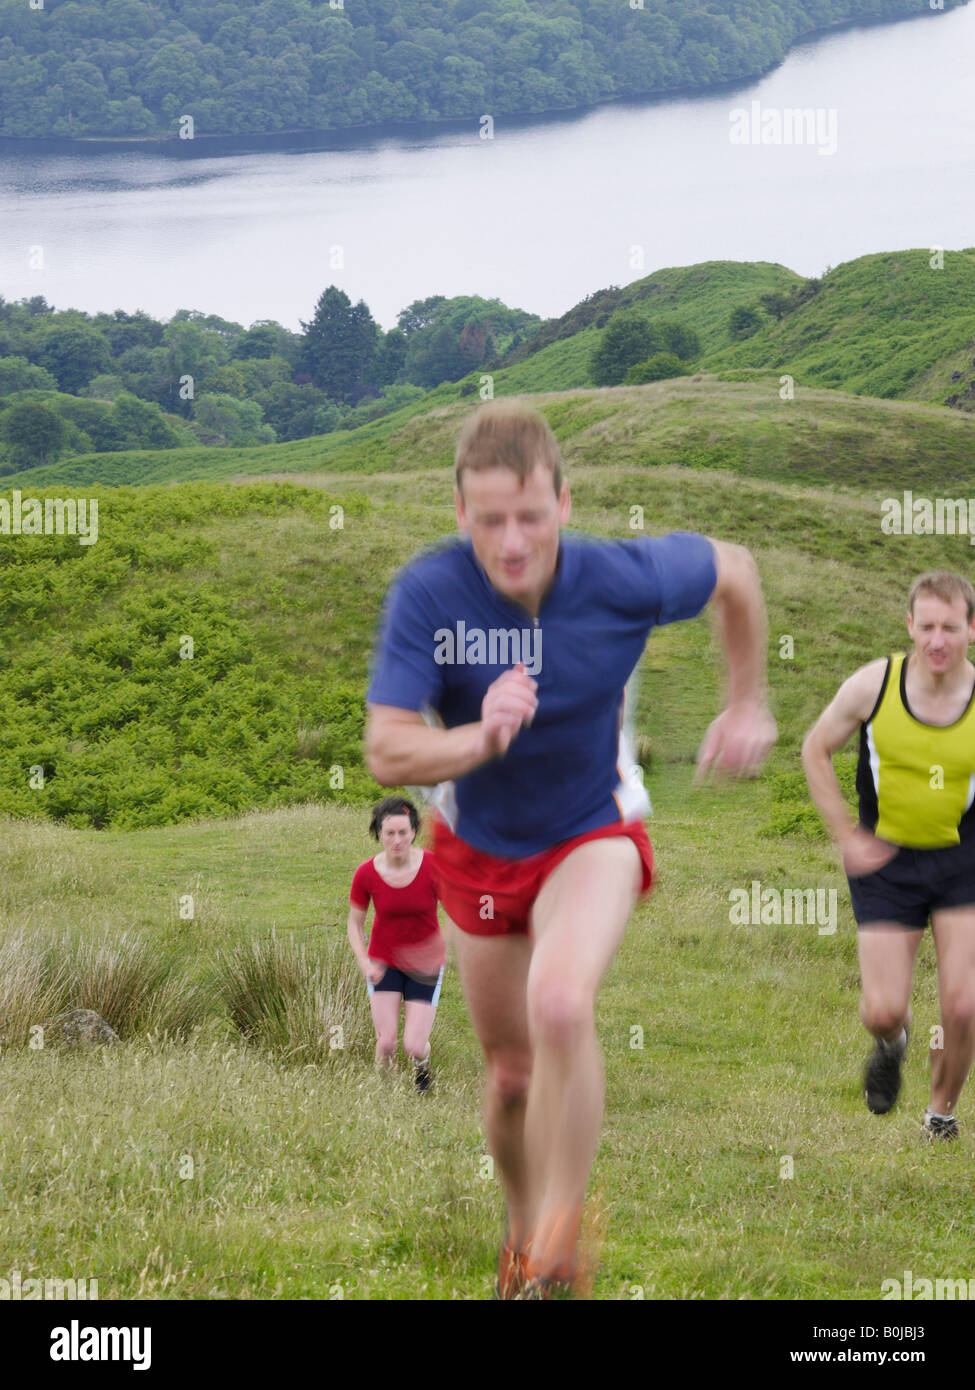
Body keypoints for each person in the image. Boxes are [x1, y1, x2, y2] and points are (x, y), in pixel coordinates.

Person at [364, 400, 776, 1297]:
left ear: (564, 499)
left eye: (531, 517)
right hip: (476, 850)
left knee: (560, 1003)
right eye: (488, 521)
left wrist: (745, 700)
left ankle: (561, 1235)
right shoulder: (429, 596)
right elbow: (387, 747)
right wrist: (478, 739)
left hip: (593, 829)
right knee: (510, 1077)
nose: (512, 543)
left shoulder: (620, 577)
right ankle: (521, 1237)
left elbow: (735, 573)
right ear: (459, 515)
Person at [802, 570, 975, 1141]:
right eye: (926, 627)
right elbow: (815, 748)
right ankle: (892, 1043)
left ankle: (941, 1115)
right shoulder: (874, 685)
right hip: (887, 865)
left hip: (962, 865)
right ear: (909, 626)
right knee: (881, 1009)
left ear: (971, 629)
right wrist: (845, 835)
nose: (937, 641)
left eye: (950, 627)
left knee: (964, 1004)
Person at [347, 795, 446, 1092]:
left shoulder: (434, 867)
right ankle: (386, 1095)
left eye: (404, 832)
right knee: (386, 1042)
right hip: (382, 961)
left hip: (425, 964)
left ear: (414, 832)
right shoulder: (366, 873)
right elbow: (354, 923)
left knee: (414, 1045)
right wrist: (364, 961)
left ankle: (422, 1070)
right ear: (379, 833)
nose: (397, 840)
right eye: (390, 833)